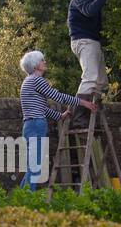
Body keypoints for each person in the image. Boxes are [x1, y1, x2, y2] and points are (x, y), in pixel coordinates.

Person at [18, 50, 96, 189]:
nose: (45, 62)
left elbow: (41, 107)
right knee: (35, 167)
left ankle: (20, 198)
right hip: (36, 125)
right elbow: (58, 96)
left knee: (32, 165)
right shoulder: (36, 80)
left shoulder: (28, 82)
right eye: (42, 60)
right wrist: (83, 102)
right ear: (35, 65)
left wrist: (59, 116)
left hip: (30, 125)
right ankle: (27, 201)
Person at [67, 0, 118, 121]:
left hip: (92, 41)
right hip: (84, 40)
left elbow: (98, 2)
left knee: (101, 81)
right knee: (90, 77)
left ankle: (91, 112)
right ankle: (78, 116)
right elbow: (90, 10)